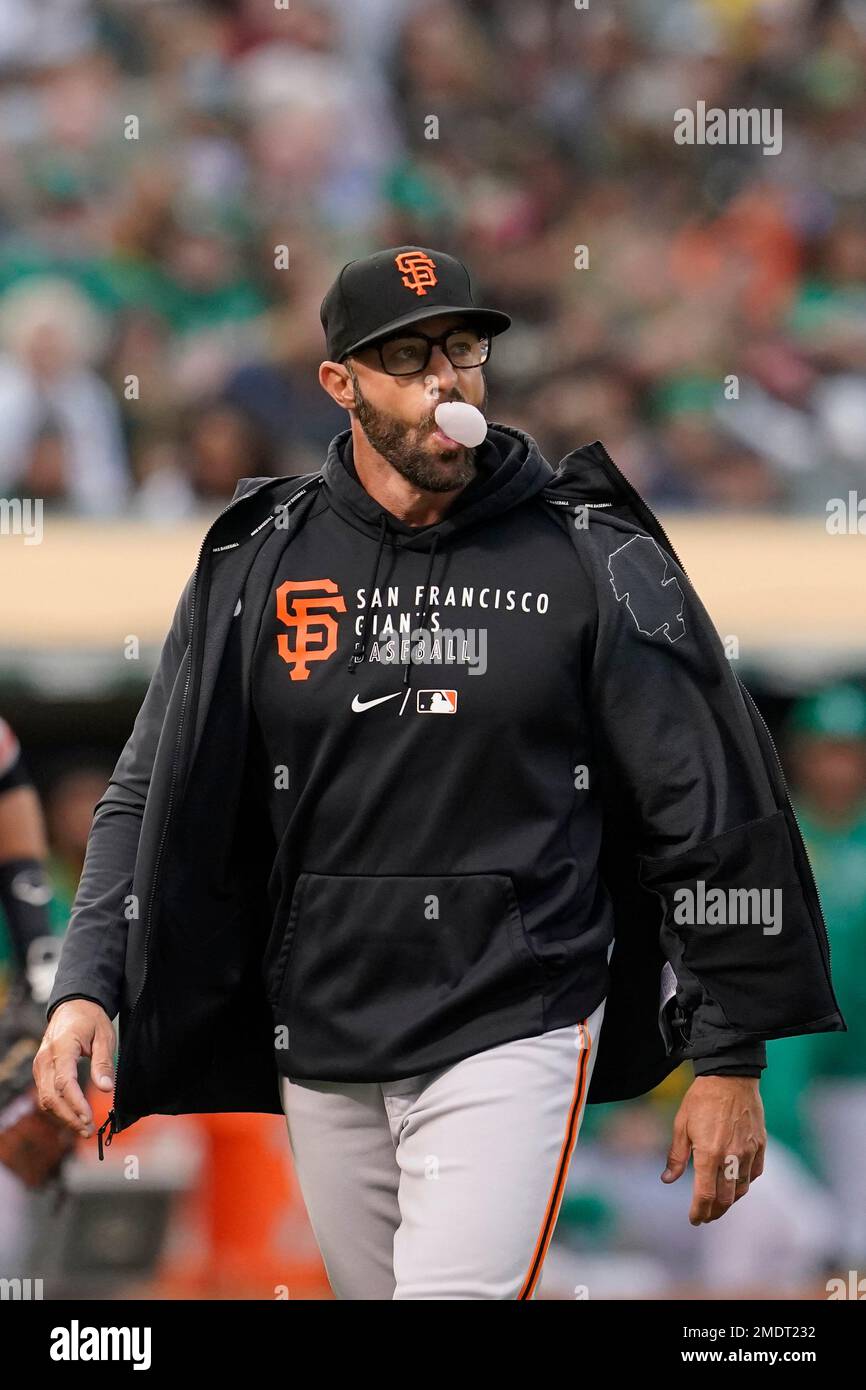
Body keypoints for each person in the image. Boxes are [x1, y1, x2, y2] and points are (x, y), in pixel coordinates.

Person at [35, 246, 845, 1299]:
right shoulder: (259, 557)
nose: (444, 381)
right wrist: (89, 983)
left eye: (462, 350)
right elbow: (148, 786)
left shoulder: (587, 551)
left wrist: (728, 1052)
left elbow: (705, 799)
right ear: (340, 383)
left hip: (515, 1016)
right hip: (322, 1027)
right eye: (406, 357)